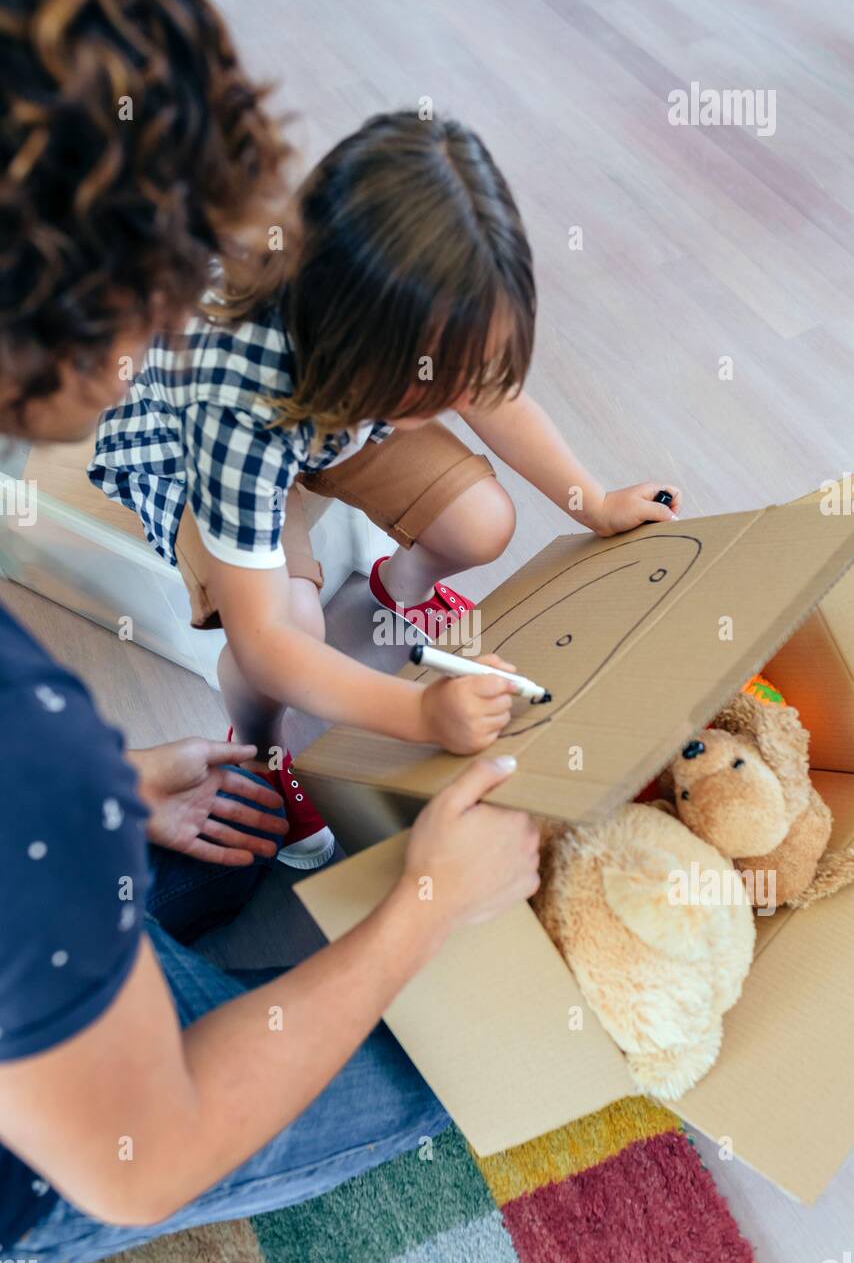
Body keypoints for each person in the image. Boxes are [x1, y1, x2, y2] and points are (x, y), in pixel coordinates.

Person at [0, 0, 539, 1263]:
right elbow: (141, 1158)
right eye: (179, 275)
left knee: (233, 842)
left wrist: (109, 802)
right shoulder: (35, 738)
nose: (191, 312)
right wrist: (419, 908)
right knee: (489, 1022)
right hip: (55, 1156)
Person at [89, 110, 682, 869]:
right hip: (204, 452)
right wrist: (420, 714)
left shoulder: (399, 332)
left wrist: (591, 503)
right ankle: (262, 750)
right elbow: (267, 642)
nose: (462, 395)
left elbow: (486, 397)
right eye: (440, 378)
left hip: (334, 411)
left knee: (482, 521)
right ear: (363, 348)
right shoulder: (233, 408)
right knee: (288, 627)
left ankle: (393, 594)